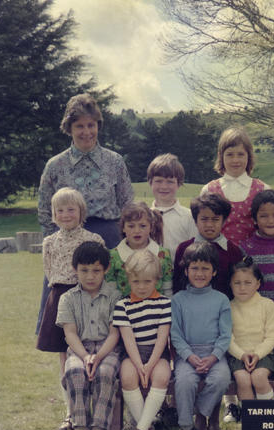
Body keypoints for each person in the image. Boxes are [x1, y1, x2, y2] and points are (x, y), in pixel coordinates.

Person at [36, 93, 133, 336]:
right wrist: (58, 244)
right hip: (67, 242)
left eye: (91, 125)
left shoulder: (115, 162)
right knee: (67, 309)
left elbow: (127, 205)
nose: (86, 131)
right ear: (69, 128)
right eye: (79, 126)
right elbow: (45, 210)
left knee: (109, 309)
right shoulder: (55, 166)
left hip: (108, 240)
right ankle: (69, 368)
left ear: (98, 125)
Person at [36, 188, 105, 430]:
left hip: (86, 299)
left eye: (71, 210)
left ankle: (95, 407)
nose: (65, 215)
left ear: (81, 212)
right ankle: (71, 411)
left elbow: (99, 271)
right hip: (59, 299)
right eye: (60, 211)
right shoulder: (49, 242)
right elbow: (49, 272)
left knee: (88, 352)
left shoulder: (93, 240)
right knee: (65, 359)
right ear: (53, 215)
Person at [57, 241, 123, 430]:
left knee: (105, 373)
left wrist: (98, 356)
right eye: (84, 270)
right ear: (75, 270)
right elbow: (70, 333)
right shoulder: (68, 298)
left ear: (105, 270)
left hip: (108, 348)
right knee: (75, 372)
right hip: (80, 348)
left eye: (96, 270)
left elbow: (115, 333)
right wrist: (85, 357)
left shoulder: (115, 296)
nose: (90, 276)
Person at [170, 242, 232, 430]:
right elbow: (175, 335)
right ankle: (186, 424)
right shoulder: (178, 300)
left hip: (214, 354)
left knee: (221, 378)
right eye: (194, 268)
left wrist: (214, 356)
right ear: (186, 270)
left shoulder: (221, 300)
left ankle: (201, 414)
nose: (199, 273)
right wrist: (188, 356)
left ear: (214, 272)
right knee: (185, 381)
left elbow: (225, 335)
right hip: (187, 354)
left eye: (205, 268)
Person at [112, 250, 172, 430]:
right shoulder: (123, 306)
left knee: (162, 377)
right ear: (129, 279)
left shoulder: (164, 304)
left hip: (158, 353)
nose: (142, 287)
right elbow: (128, 339)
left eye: (147, 281)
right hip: (133, 354)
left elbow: (162, 338)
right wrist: (139, 365)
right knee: (128, 376)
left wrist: (150, 365)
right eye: (136, 281)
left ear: (156, 280)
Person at [201, 126, 269, 246]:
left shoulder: (263, 190)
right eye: (230, 155)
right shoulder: (209, 190)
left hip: (253, 259)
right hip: (218, 258)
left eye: (240, 154)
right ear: (221, 156)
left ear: (249, 156)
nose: (235, 160)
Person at [227, 258, 274, 409]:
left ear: (258, 284)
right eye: (237, 283)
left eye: (248, 283)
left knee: (259, 377)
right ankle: (251, 423)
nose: (242, 287)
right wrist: (241, 354)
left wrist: (257, 353)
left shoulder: (268, 306)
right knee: (242, 380)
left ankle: (266, 416)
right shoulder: (228, 307)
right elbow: (227, 338)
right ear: (230, 284)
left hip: (263, 354)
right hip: (238, 355)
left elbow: (272, 336)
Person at [172, 193, 243, 298]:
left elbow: (236, 285)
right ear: (196, 221)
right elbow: (178, 284)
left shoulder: (233, 251)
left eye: (215, 219)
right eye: (204, 219)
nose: (209, 224)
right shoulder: (184, 248)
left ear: (223, 222)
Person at [106, 201, 173, 298]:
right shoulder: (112, 257)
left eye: (142, 226)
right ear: (123, 228)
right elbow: (111, 292)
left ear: (151, 227)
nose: (137, 231)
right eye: (131, 226)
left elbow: (167, 291)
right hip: (125, 311)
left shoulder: (163, 255)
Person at [147, 153, 199, 256]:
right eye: (159, 181)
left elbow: (195, 249)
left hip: (179, 270)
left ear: (179, 184)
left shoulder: (189, 217)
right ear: (150, 182)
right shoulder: (144, 216)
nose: (164, 186)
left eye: (170, 182)